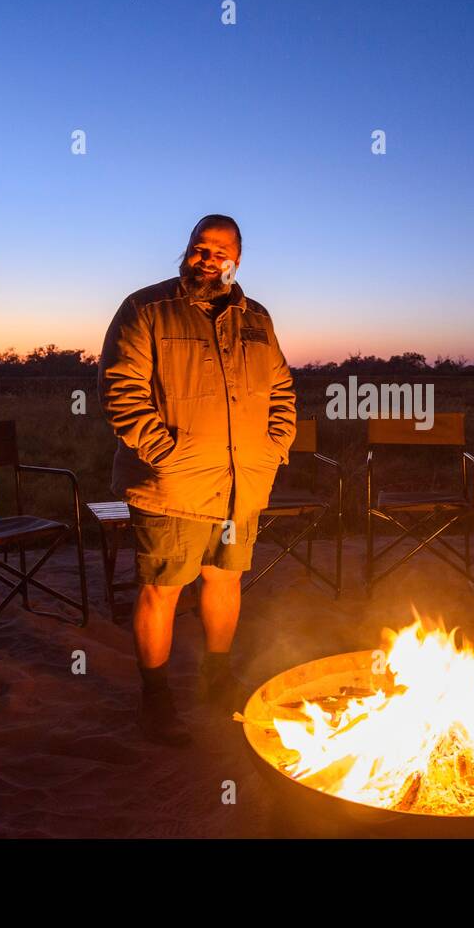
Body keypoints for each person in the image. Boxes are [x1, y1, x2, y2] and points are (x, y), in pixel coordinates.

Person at [99, 215, 295, 745]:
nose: (207, 259)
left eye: (220, 251)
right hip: (172, 485)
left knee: (225, 579)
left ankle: (217, 679)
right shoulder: (146, 309)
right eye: (199, 248)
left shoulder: (257, 319)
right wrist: (165, 453)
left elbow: (282, 389)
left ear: (237, 258)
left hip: (242, 483)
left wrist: (273, 448)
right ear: (187, 251)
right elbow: (122, 391)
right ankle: (157, 701)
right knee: (161, 588)